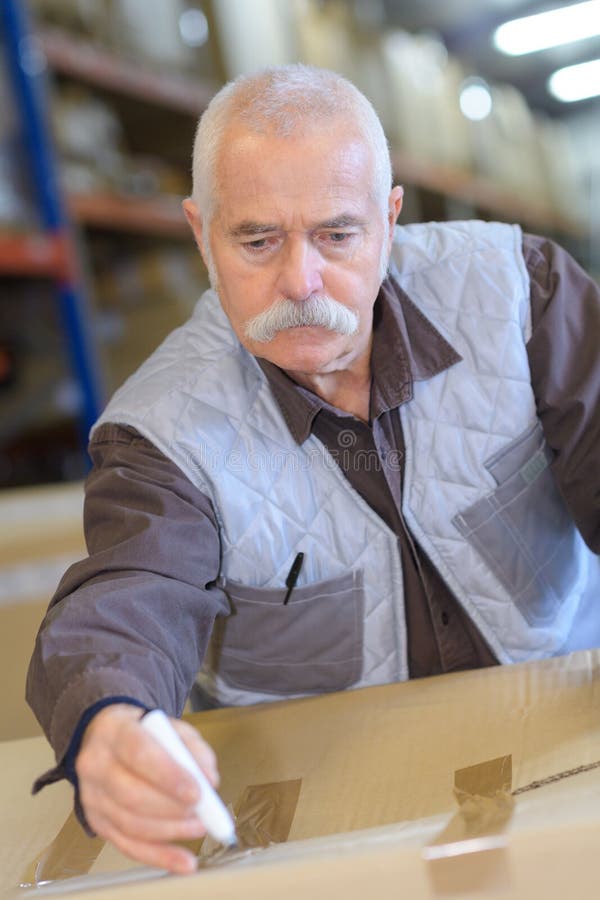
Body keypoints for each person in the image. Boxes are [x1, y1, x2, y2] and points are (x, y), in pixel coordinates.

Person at [27, 64, 599, 875]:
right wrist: (111, 720)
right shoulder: (163, 432)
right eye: (256, 240)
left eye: (337, 235)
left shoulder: (519, 292)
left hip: (566, 746)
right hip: (342, 818)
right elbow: (126, 599)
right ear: (200, 232)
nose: (300, 282)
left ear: (389, 217)